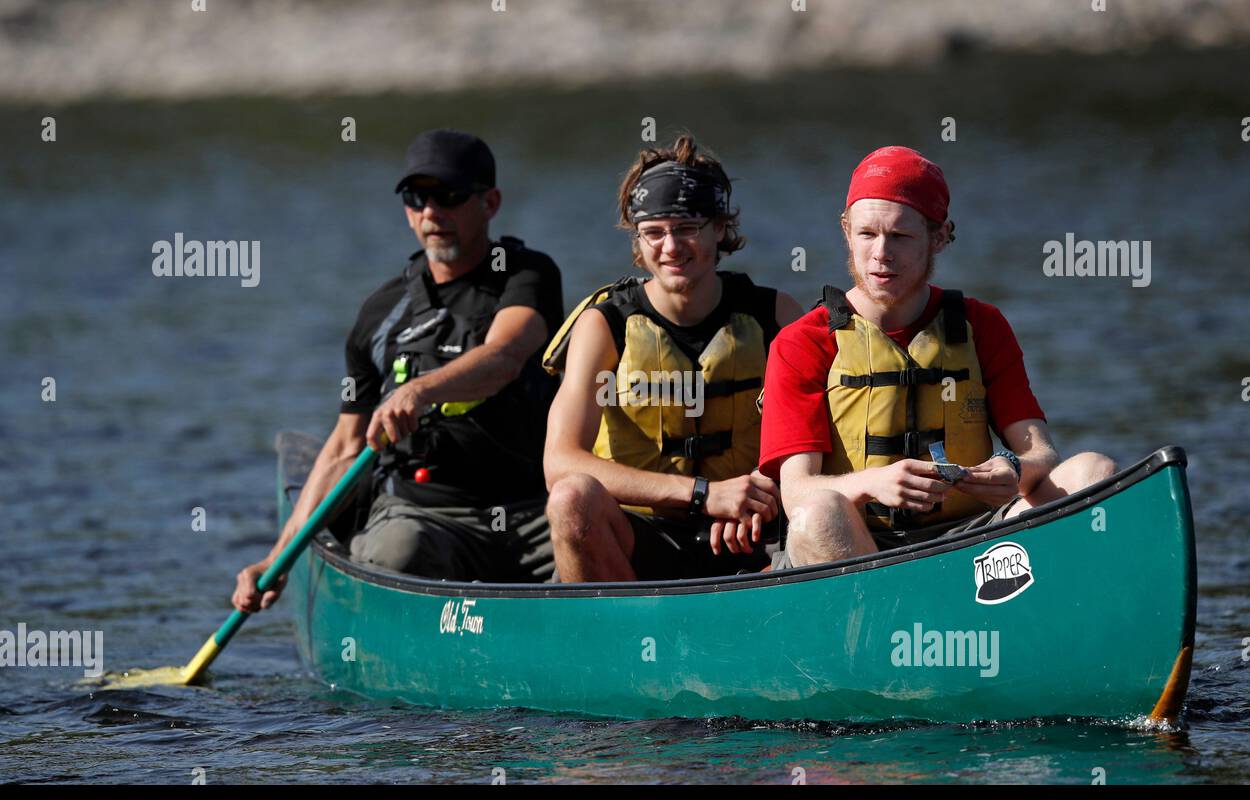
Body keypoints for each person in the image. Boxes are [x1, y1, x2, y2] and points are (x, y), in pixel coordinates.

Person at [233, 129, 563, 612]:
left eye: (449, 196)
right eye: (418, 198)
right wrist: (278, 557)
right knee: (397, 552)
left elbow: (505, 357)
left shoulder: (527, 275)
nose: (432, 212)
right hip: (425, 516)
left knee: (602, 542)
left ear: (489, 203)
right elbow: (346, 447)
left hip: (534, 510)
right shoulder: (379, 313)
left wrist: (419, 391)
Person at [760, 145, 1116, 567]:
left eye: (900, 236)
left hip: (972, 539)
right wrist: (875, 482)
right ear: (846, 231)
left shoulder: (982, 325)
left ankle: (1071, 614)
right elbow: (796, 492)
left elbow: (1041, 453)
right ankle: (882, 624)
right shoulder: (803, 341)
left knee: (1093, 471)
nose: (880, 254)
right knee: (816, 515)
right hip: (858, 546)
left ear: (940, 236)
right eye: (867, 234)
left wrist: (1014, 471)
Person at [542, 135, 804, 582]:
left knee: (820, 508)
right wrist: (704, 495)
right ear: (638, 241)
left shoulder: (775, 313)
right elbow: (560, 462)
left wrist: (763, 496)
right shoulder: (605, 324)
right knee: (570, 500)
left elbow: (821, 439)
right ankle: (614, 637)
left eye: (687, 228)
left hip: (751, 532)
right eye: (654, 232)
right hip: (646, 534)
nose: (670, 247)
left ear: (719, 228)